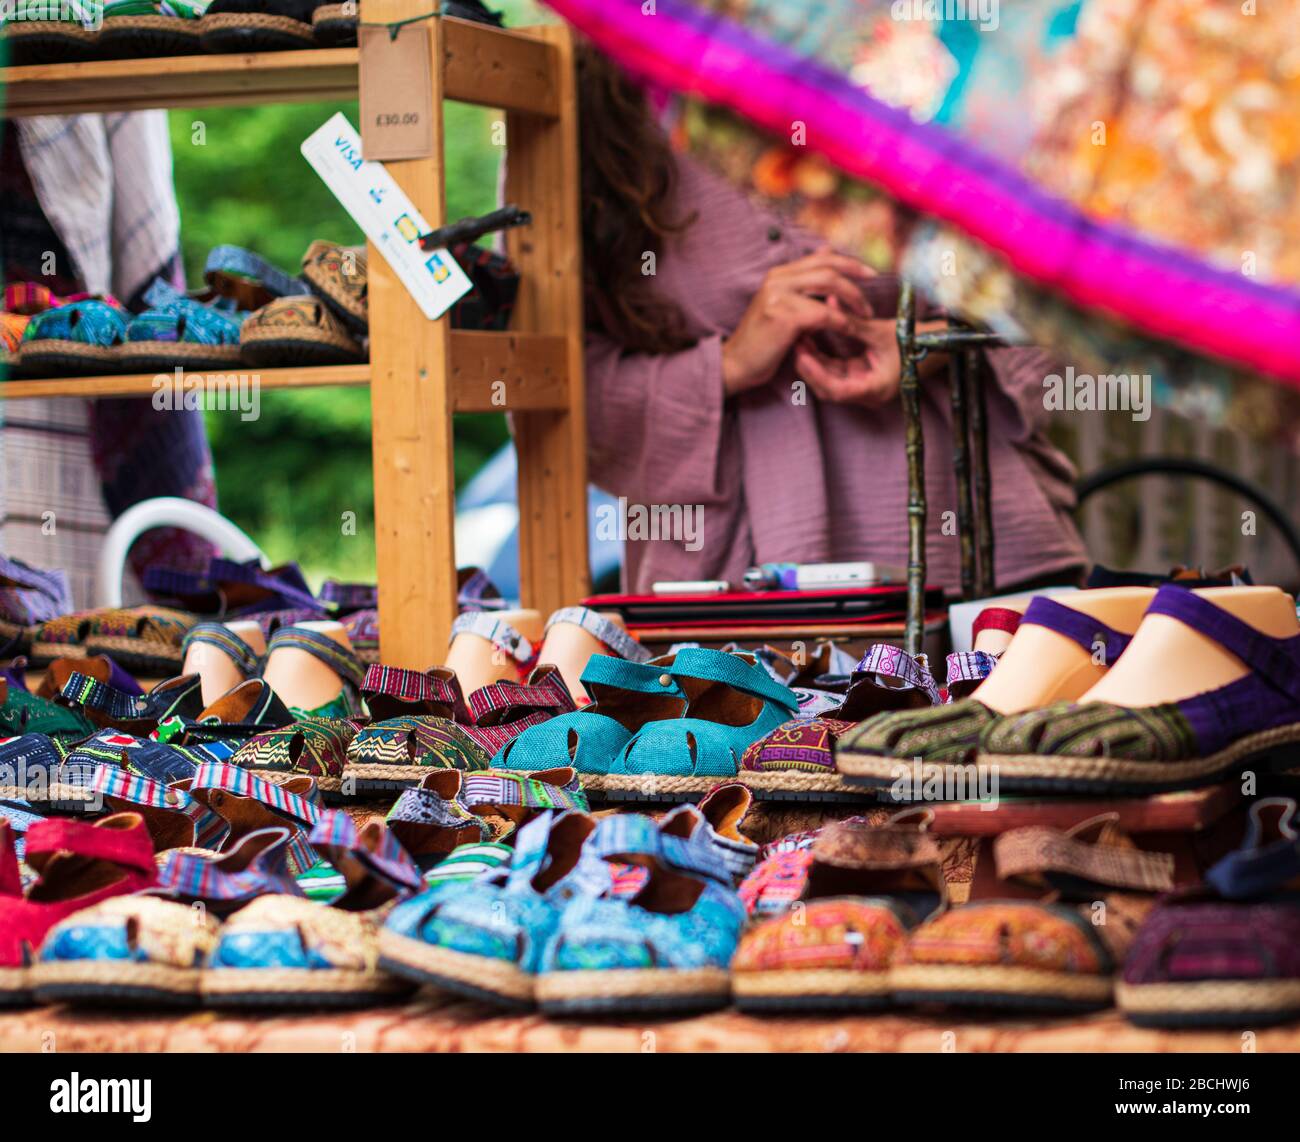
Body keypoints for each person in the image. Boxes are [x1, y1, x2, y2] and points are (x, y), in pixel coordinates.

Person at [576, 46, 1087, 596]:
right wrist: (726, 366)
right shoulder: (582, 96)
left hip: (976, 541)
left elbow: (1067, 281)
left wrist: (929, 344)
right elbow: (560, 398)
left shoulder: (927, 39)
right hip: (725, 585)